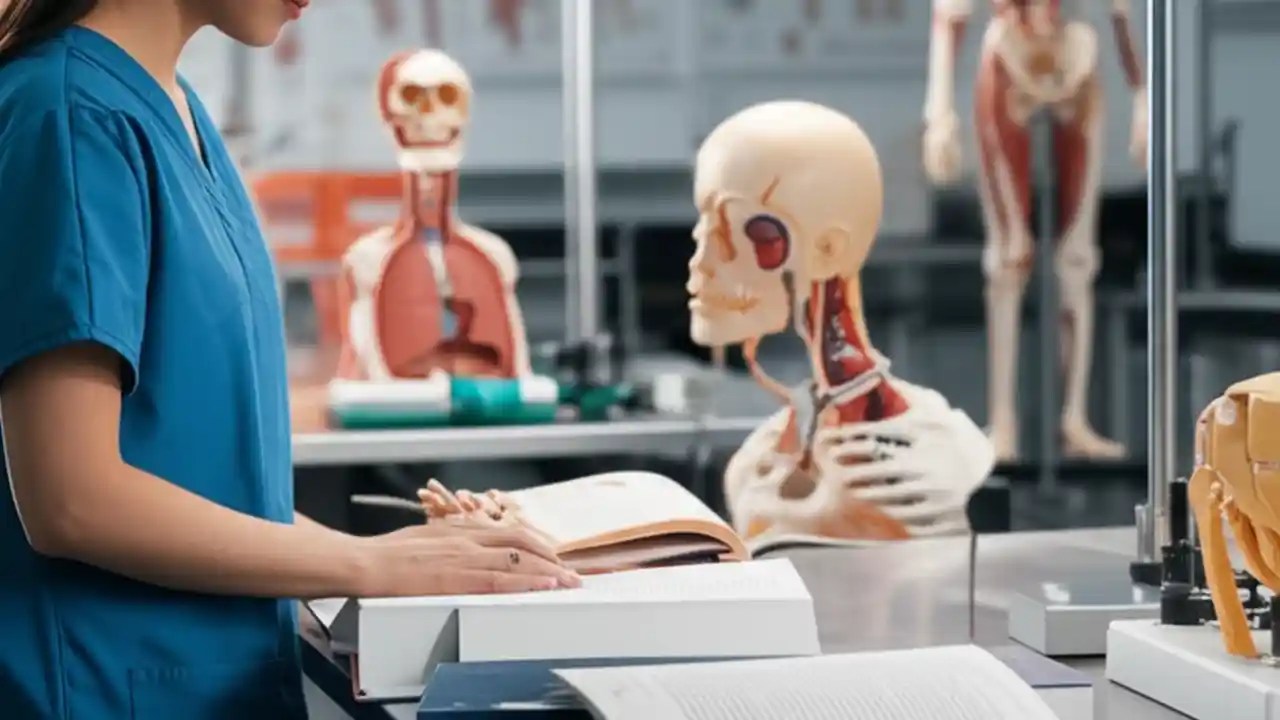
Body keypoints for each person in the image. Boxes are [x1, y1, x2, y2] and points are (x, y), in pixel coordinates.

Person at [0, 2, 581, 718]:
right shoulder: (71, 117)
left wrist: (401, 557)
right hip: (102, 686)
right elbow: (72, 501)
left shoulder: (172, 109)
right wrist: (362, 564)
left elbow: (214, 491)